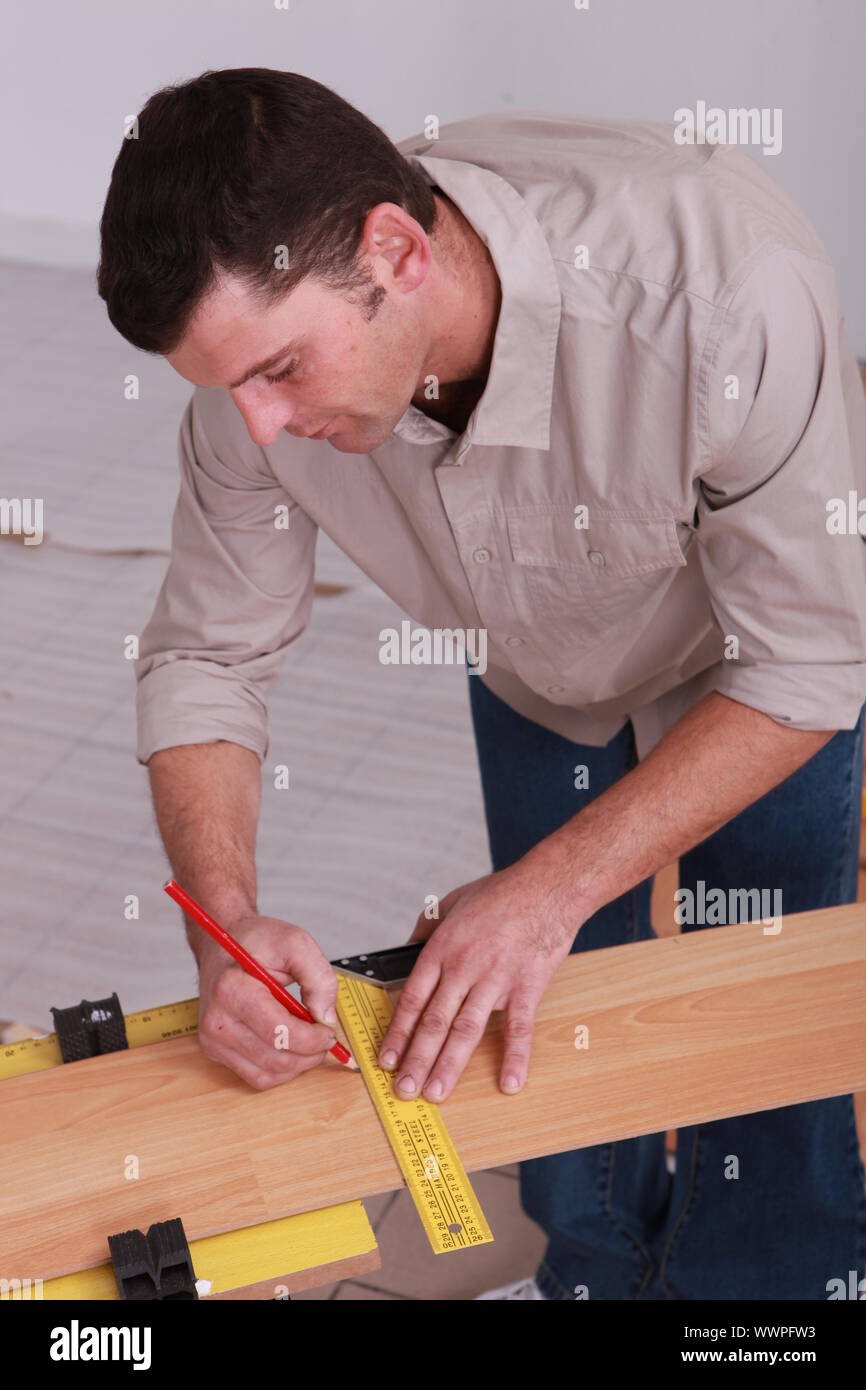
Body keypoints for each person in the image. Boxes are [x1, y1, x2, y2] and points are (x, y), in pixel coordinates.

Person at [97, 68, 866, 1300]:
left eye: (281, 370)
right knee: (532, 1040)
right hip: (542, 676)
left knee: (759, 1046)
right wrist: (227, 921)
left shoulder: (721, 292)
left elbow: (809, 664)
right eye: (225, 385)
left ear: (397, 253)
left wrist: (547, 887)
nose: (255, 426)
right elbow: (205, 656)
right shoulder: (257, 398)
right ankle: (598, 1274)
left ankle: (769, 1297)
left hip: (754, 678)